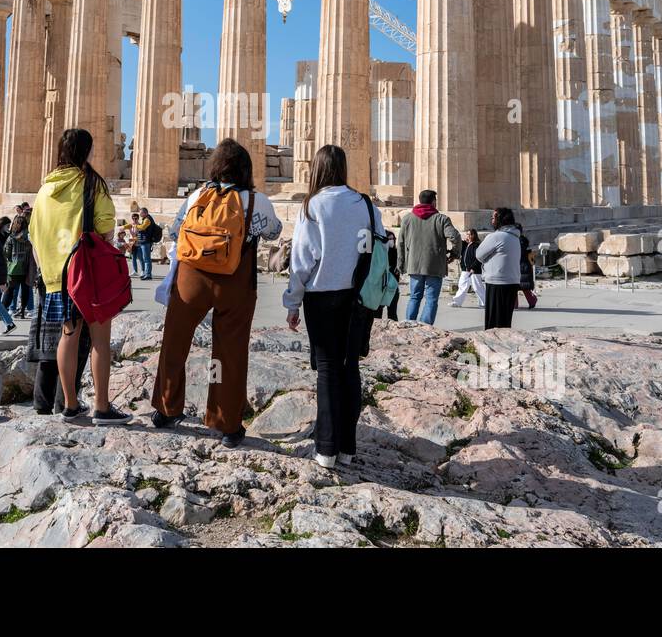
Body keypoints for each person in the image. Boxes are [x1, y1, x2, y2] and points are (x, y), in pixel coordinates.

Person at [151, 139, 283, 448]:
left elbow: (174, 231)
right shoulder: (255, 201)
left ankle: (166, 409)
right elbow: (274, 232)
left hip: (191, 277)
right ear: (246, 169)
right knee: (227, 352)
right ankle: (225, 423)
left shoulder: (198, 194)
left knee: (175, 342)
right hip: (234, 280)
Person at [282, 145, 383, 469]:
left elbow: (302, 259)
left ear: (317, 169)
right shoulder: (365, 204)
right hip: (357, 297)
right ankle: (347, 448)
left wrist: (292, 302)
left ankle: (325, 449)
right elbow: (378, 243)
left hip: (322, 296)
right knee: (350, 366)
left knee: (327, 370)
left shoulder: (312, 206)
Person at [28, 127, 131, 426]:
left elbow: (35, 235)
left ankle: (70, 406)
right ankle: (101, 406)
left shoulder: (45, 189)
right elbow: (106, 226)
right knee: (100, 339)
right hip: (87, 274)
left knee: (68, 335)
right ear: (87, 151)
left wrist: (50, 272)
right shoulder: (90, 184)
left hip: (56, 277)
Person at [397, 189, 461, 325]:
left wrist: (401, 264)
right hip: (435, 265)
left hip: (414, 264)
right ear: (433, 202)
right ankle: (425, 327)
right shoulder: (441, 219)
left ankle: (409, 325)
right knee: (431, 299)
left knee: (414, 297)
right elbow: (455, 237)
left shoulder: (407, 219)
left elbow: (401, 243)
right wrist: (455, 253)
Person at [477, 208, 523, 329]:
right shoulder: (515, 236)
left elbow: (478, 255)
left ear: (500, 219)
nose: (491, 220)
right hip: (512, 281)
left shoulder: (496, 236)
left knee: (493, 323)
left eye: (493, 217)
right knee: (505, 322)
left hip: (497, 282)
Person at [2, 214, 35, 321]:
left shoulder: (11, 237)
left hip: (14, 268)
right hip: (26, 267)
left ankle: (3, 310)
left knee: (10, 290)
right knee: (25, 289)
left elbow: (6, 253)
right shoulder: (29, 237)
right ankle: (22, 311)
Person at [451, 229, 487, 308]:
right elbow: (460, 245)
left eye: (470, 234)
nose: (468, 236)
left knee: (477, 287)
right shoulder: (466, 244)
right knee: (462, 285)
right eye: (467, 234)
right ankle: (457, 302)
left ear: (474, 235)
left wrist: (473, 267)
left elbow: (478, 258)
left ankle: (484, 303)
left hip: (474, 270)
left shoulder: (476, 245)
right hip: (465, 269)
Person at [136, 207, 160, 280]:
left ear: (145, 213)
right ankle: (146, 273)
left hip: (146, 242)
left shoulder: (147, 219)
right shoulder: (145, 219)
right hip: (144, 241)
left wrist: (136, 226)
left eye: (141, 213)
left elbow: (143, 227)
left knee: (147, 259)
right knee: (145, 258)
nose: (140, 214)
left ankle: (148, 274)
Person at [517, 228, 538, 309]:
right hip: (523, 265)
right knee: (522, 287)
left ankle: (515, 305)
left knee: (521, 286)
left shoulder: (519, 241)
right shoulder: (523, 240)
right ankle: (532, 301)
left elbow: (521, 252)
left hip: (521, 265)